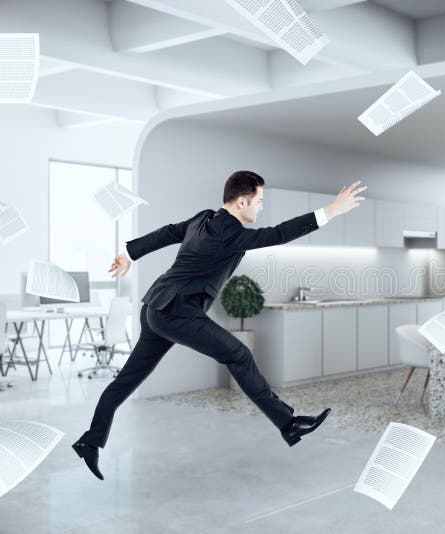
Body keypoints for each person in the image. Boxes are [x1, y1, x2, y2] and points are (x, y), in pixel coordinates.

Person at [72, 171, 367, 480]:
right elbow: (279, 233)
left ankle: (90, 441)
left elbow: (167, 233)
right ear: (242, 202)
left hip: (155, 307)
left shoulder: (204, 218)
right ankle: (288, 424)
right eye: (259, 201)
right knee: (239, 354)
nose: (261, 207)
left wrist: (129, 254)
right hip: (177, 311)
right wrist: (332, 210)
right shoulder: (232, 232)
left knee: (127, 379)